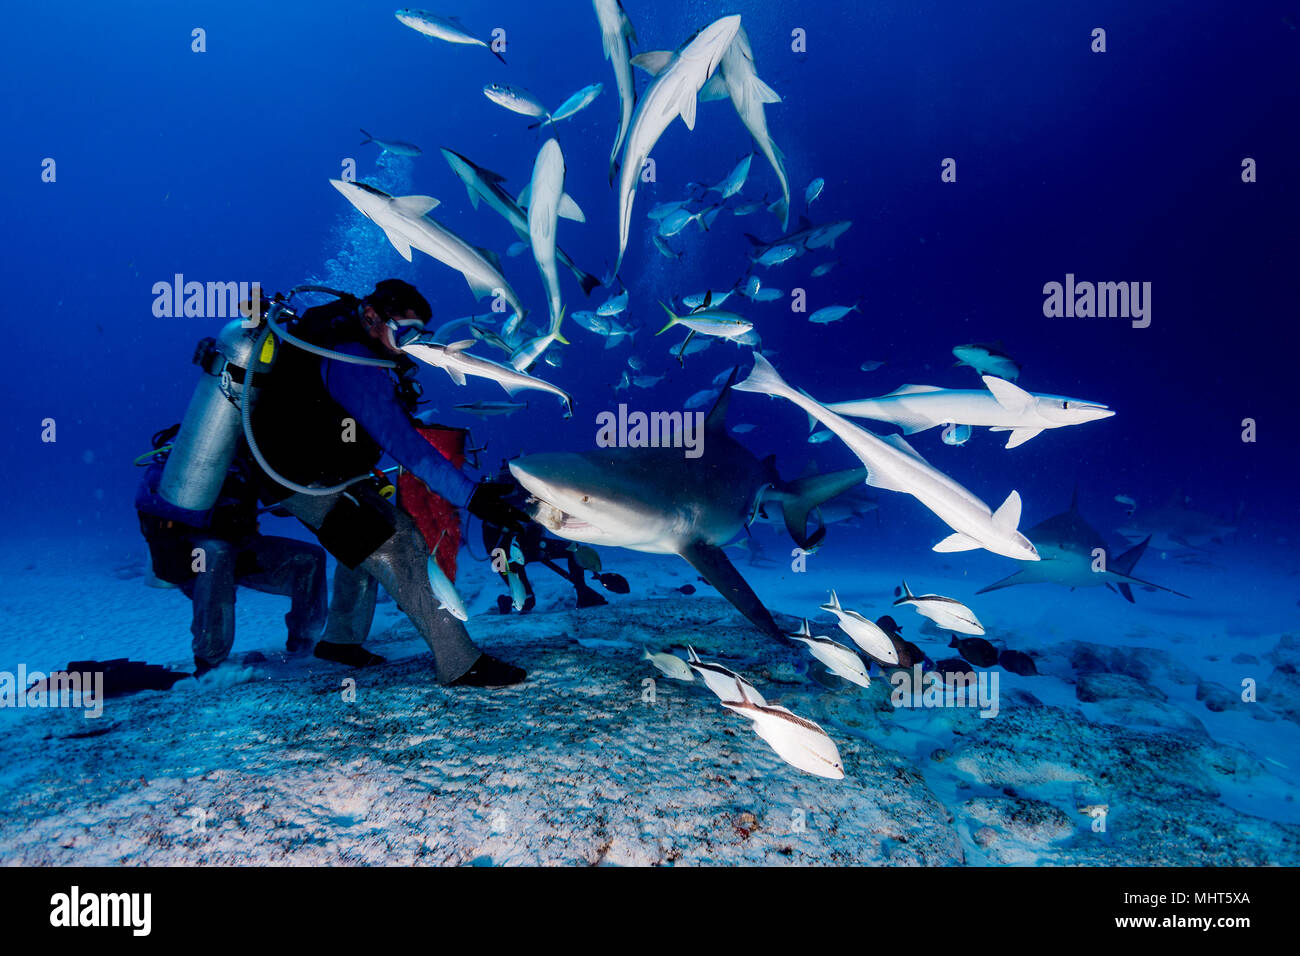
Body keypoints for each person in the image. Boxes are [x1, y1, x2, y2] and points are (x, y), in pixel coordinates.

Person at [248, 279, 531, 687]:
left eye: (419, 336)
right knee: (398, 543)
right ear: (370, 316)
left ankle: (340, 640)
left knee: (367, 540)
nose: (409, 345)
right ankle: (459, 663)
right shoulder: (353, 361)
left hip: (330, 472)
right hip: (300, 477)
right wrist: (471, 495)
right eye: (405, 333)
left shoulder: (360, 348)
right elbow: (405, 445)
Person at [136, 427, 328, 676]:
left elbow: (280, 501)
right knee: (216, 554)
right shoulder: (178, 456)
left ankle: (304, 641)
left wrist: (314, 486)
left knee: (310, 558)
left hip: (242, 547)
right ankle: (210, 662)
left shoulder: (248, 461)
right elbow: (147, 500)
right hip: (187, 554)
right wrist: (212, 517)